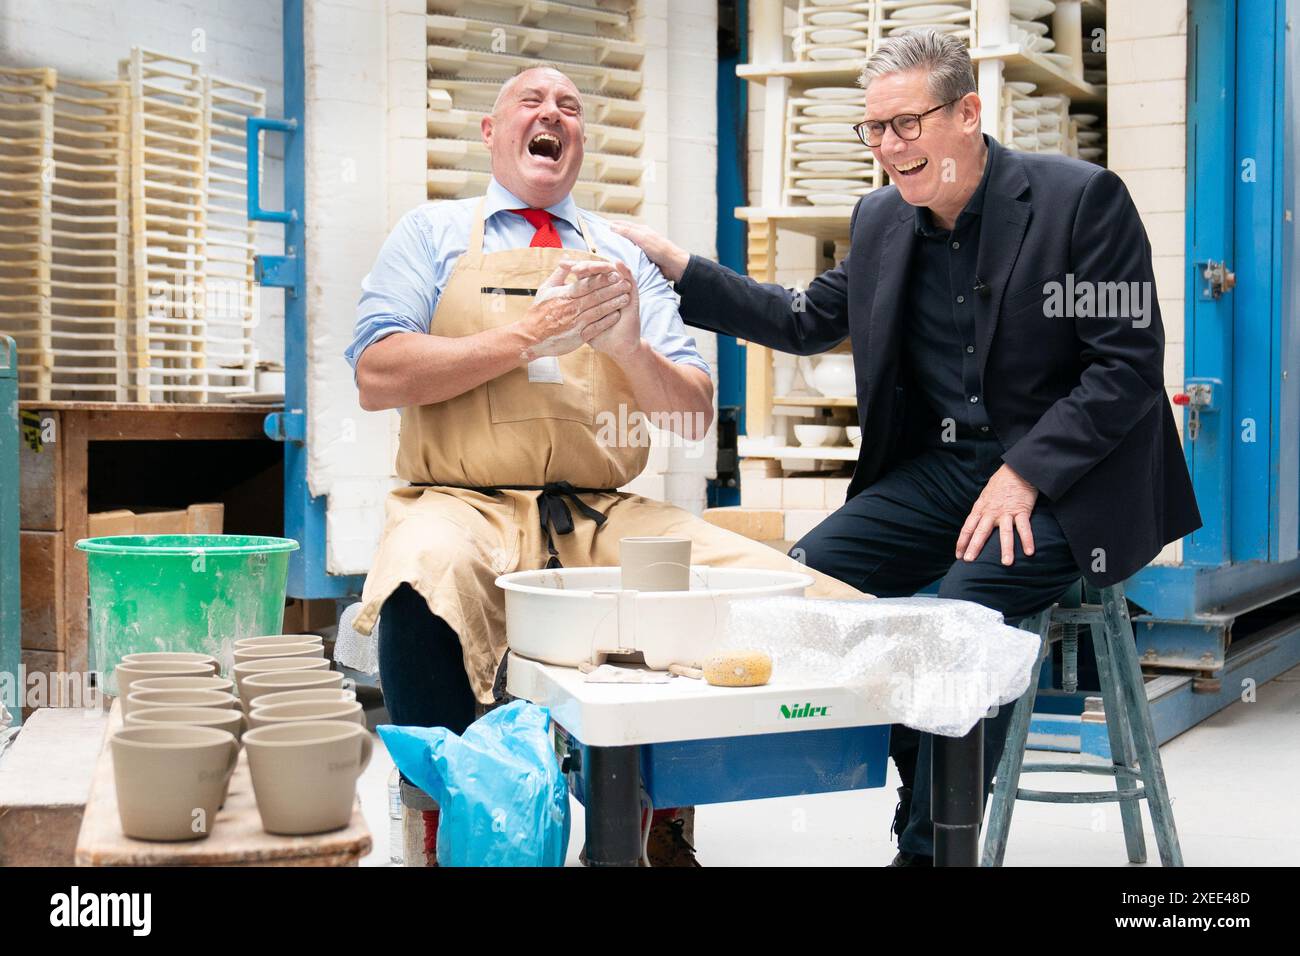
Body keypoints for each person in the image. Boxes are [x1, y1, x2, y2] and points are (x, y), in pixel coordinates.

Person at [611, 29, 1201, 866]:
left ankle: (931, 848)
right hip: (945, 470)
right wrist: (679, 267)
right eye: (875, 129)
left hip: (1074, 479)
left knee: (959, 618)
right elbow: (804, 319)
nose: (889, 147)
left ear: (968, 113)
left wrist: (1025, 473)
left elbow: (1127, 368)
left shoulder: (1081, 201)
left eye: (907, 124)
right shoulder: (882, 218)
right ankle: (919, 785)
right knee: (811, 581)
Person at [346, 65, 865, 867]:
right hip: (461, 499)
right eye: (530, 101)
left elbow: (691, 410)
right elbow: (377, 374)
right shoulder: (432, 233)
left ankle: (657, 824)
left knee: (755, 583)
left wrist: (628, 346)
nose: (552, 115)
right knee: (421, 570)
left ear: (579, 143)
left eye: (570, 108)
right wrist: (525, 335)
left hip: (596, 510)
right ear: (491, 133)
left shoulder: (620, 255)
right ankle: (459, 824)